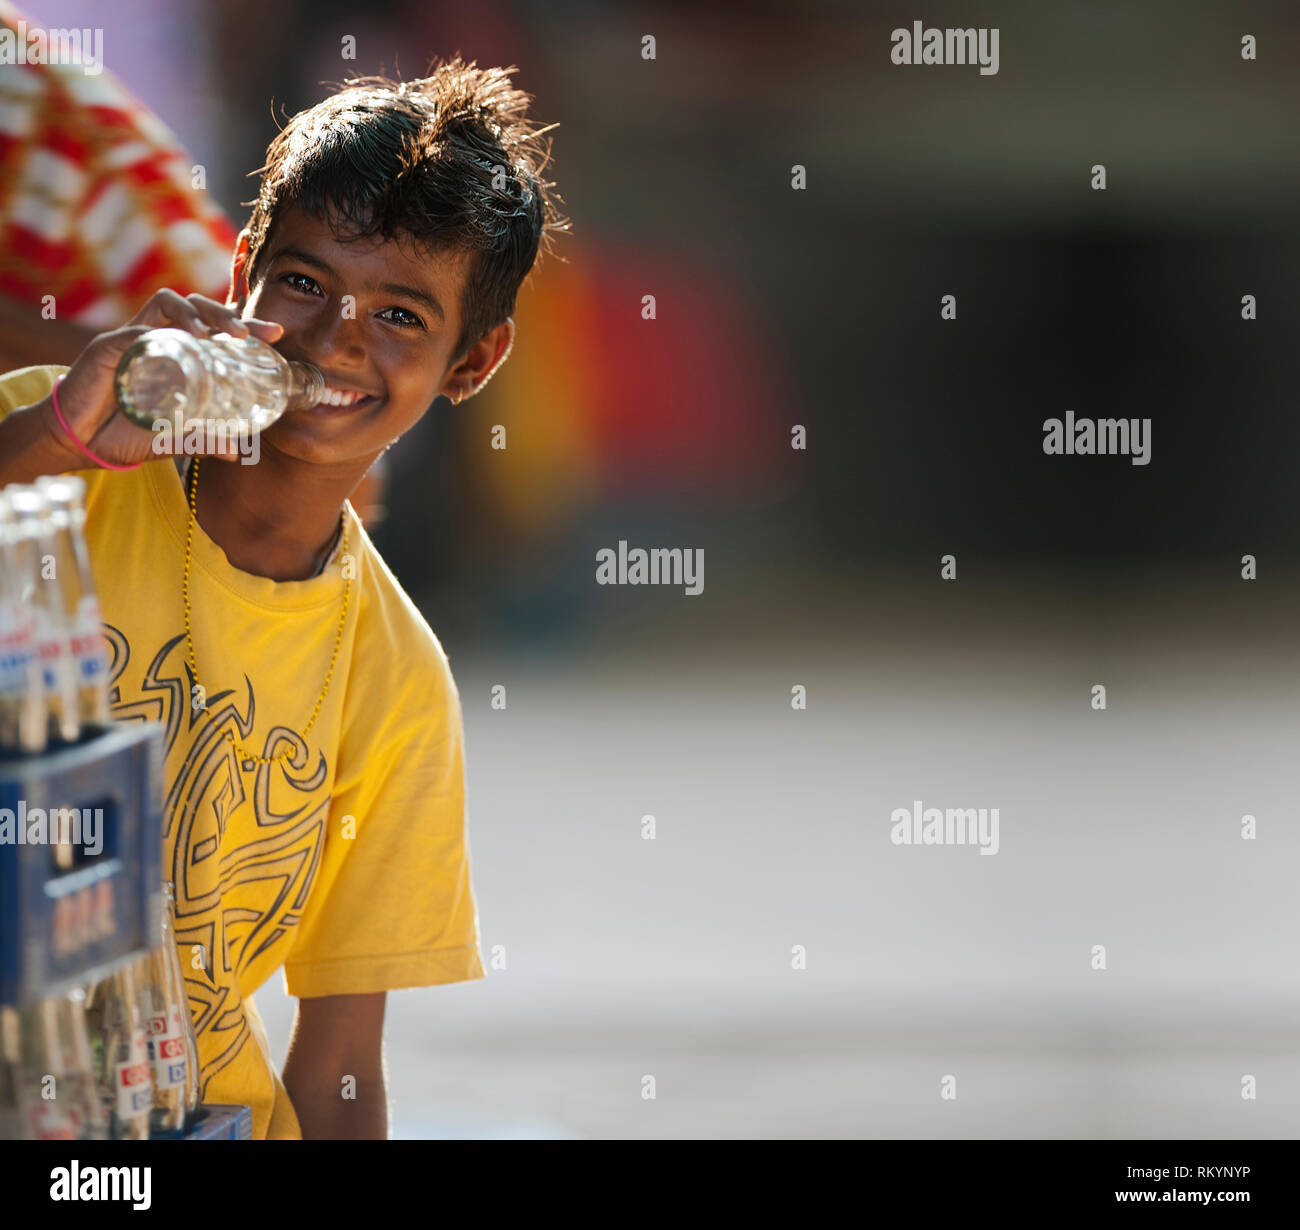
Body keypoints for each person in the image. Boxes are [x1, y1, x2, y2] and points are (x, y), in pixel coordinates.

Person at [0, 57, 566, 1139]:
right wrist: (60, 434)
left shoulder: (395, 681)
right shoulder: (50, 439)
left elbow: (342, 1064)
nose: (338, 341)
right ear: (239, 273)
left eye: (403, 315)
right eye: (305, 285)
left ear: (473, 361)